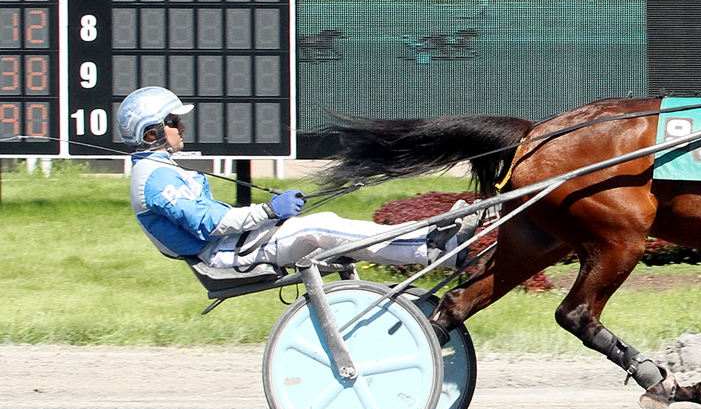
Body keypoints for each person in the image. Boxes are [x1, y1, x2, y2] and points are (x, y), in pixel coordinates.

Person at [118, 86, 479, 272]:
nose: (181, 126)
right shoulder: (154, 180)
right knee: (321, 228)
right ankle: (435, 247)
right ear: (151, 134)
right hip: (228, 255)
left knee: (329, 226)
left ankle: (429, 240)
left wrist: (268, 213)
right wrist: (268, 210)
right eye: (172, 122)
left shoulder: (160, 171)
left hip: (239, 243)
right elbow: (211, 223)